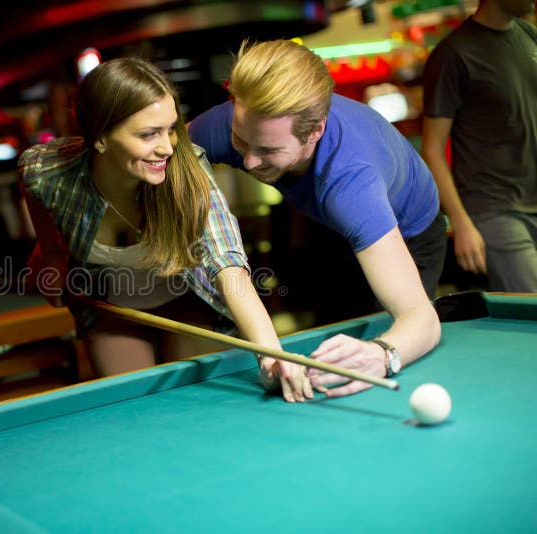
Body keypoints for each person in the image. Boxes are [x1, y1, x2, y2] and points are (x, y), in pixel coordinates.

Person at [19, 57, 312, 402]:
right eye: (148, 134)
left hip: (187, 299)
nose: (167, 147)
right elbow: (32, 184)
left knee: (195, 403)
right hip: (111, 306)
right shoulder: (48, 172)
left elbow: (227, 263)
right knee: (132, 405)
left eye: (170, 128)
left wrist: (271, 354)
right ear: (99, 137)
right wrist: (53, 255)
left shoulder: (188, 170)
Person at [188, 39, 443, 398]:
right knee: (320, 344)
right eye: (241, 141)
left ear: (315, 132)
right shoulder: (234, 121)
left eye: (268, 150)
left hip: (405, 232)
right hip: (322, 225)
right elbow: (164, 153)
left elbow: (422, 321)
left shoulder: (352, 184)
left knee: (365, 359)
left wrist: (382, 354)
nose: (248, 162)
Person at [421, 0, 537, 293]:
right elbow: (433, 149)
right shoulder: (452, 55)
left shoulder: (528, 34)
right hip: (494, 210)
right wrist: (461, 224)